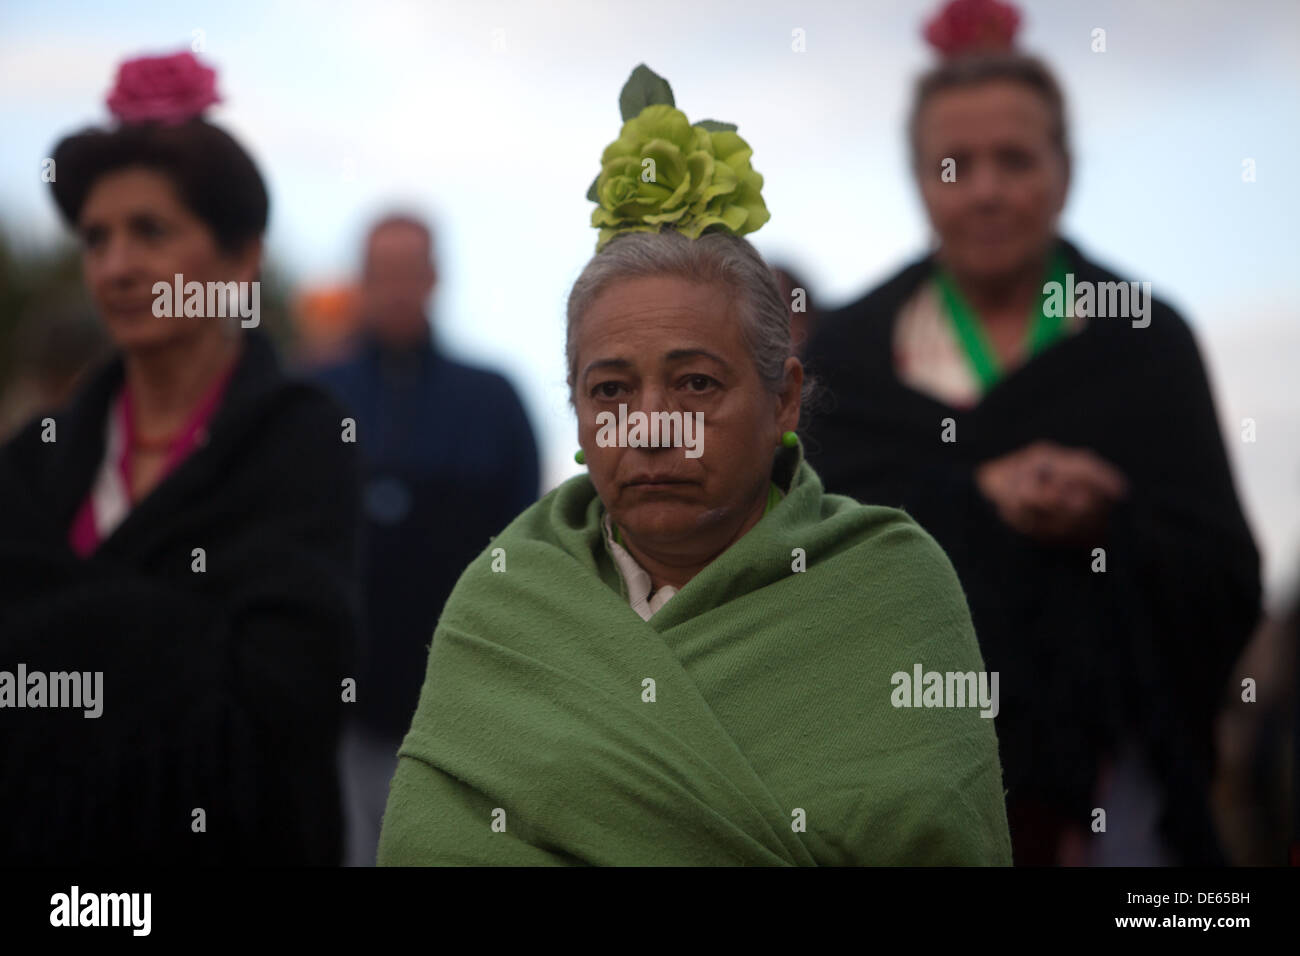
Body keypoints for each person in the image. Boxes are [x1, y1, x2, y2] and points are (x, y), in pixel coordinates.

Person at [377, 65, 1012, 866]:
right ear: (573, 406)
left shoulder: (891, 585)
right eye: (609, 389)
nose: (650, 427)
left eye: (697, 384)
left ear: (784, 401)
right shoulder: (503, 600)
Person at [803, 0, 1261, 865]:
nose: (985, 189)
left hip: (1118, 805)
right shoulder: (850, 357)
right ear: (915, 177)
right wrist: (970, 498)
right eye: (954, 163)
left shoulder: (1143, 340)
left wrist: (1111, 526)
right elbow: (808, 566)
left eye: (1014, 159)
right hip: (893, 805)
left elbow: (1228, 577)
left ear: (1064, 169)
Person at [0, 51, 361, 865]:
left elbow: (286, 707)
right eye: (96, 238)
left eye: (150, 231)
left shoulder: (301, 443)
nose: (116, 266)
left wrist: (62, 627)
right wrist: (172, 632)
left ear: (240, 261)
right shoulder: (33, 462)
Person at [309, 213, 539, 866]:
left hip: (462, 719)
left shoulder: (492, 400)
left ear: (436, 277)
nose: (398, 289)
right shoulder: (315, 400)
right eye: (383, 273)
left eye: (411, 271)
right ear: (361, 281)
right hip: (338, 719)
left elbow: (525, 552)